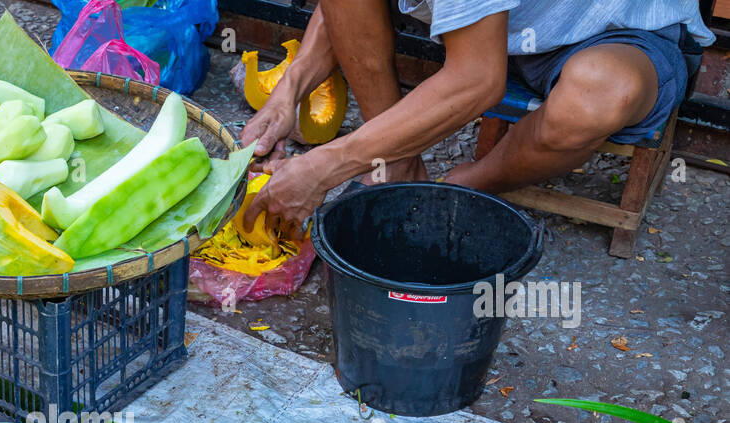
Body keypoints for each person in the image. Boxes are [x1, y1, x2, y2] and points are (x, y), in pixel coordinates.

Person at [240, 0, 711, 236]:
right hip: (498, 30)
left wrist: (323, 166)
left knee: (595, 98)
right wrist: (289, 92)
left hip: (610, 33)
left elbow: (477, 81)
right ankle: (397, 168)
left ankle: (460, 188)